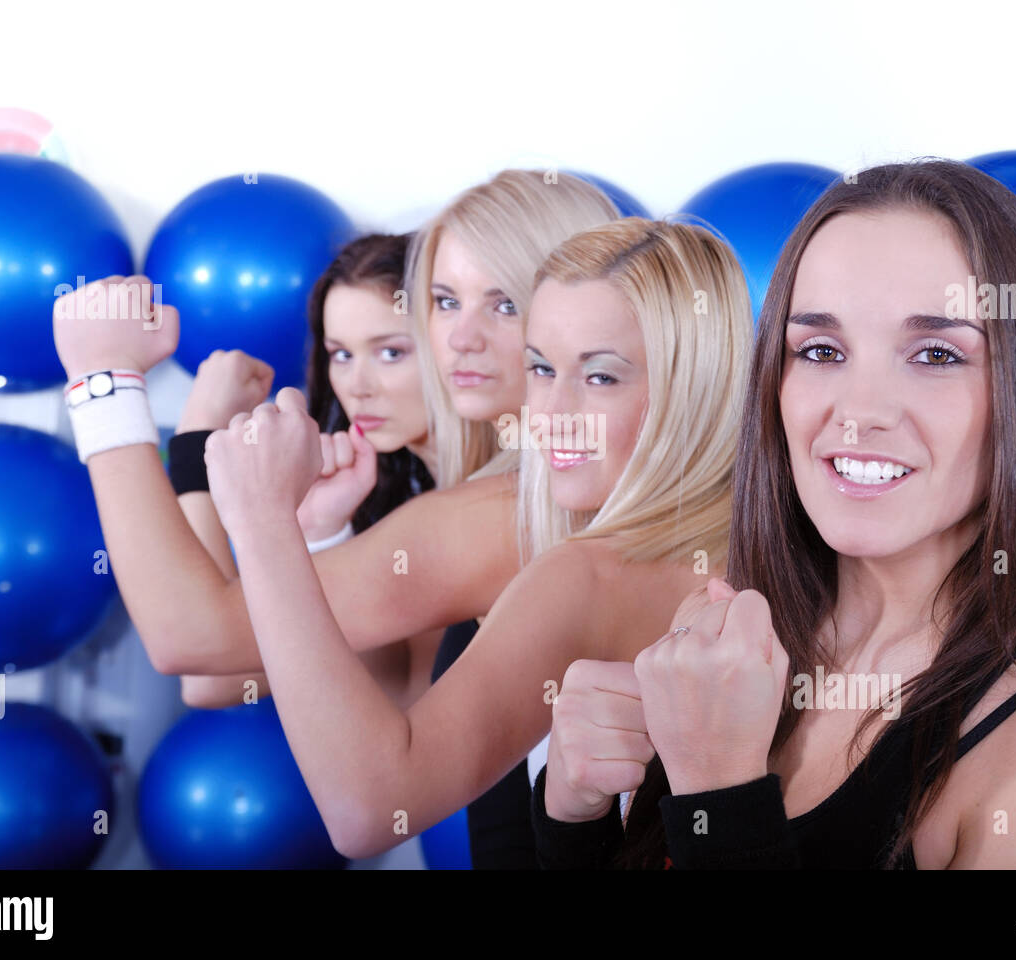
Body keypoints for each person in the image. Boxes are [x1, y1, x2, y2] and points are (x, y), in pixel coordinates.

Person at [531, 160, 1016, 869]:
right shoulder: (722, 634)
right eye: (822, 350)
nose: (860, 413)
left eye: (935, 354)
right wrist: (573, 821)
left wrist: (719, 791)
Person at [50, 169, 619, 865]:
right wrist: (318, 533)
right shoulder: (493, 494)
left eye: (504, 304)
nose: (462, 337)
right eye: (445, 301)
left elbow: (191, 641)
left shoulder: (511, 508)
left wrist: (106, 386)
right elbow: (390, 692)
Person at [200, 218, 750, 858]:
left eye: (601, 377)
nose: (551, 414)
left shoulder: (586, 574)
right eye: (541, 368)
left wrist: (263, 521)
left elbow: (370, 811)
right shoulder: (772, 538)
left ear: (695, 386)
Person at [169, 233, 441, 711]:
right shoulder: (384, 490)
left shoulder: (466, 506)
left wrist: (196, 441)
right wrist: (324, 533)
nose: (357, 386)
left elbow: (405, 701)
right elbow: (210, 680)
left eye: (391, 352)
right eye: (341, 354)